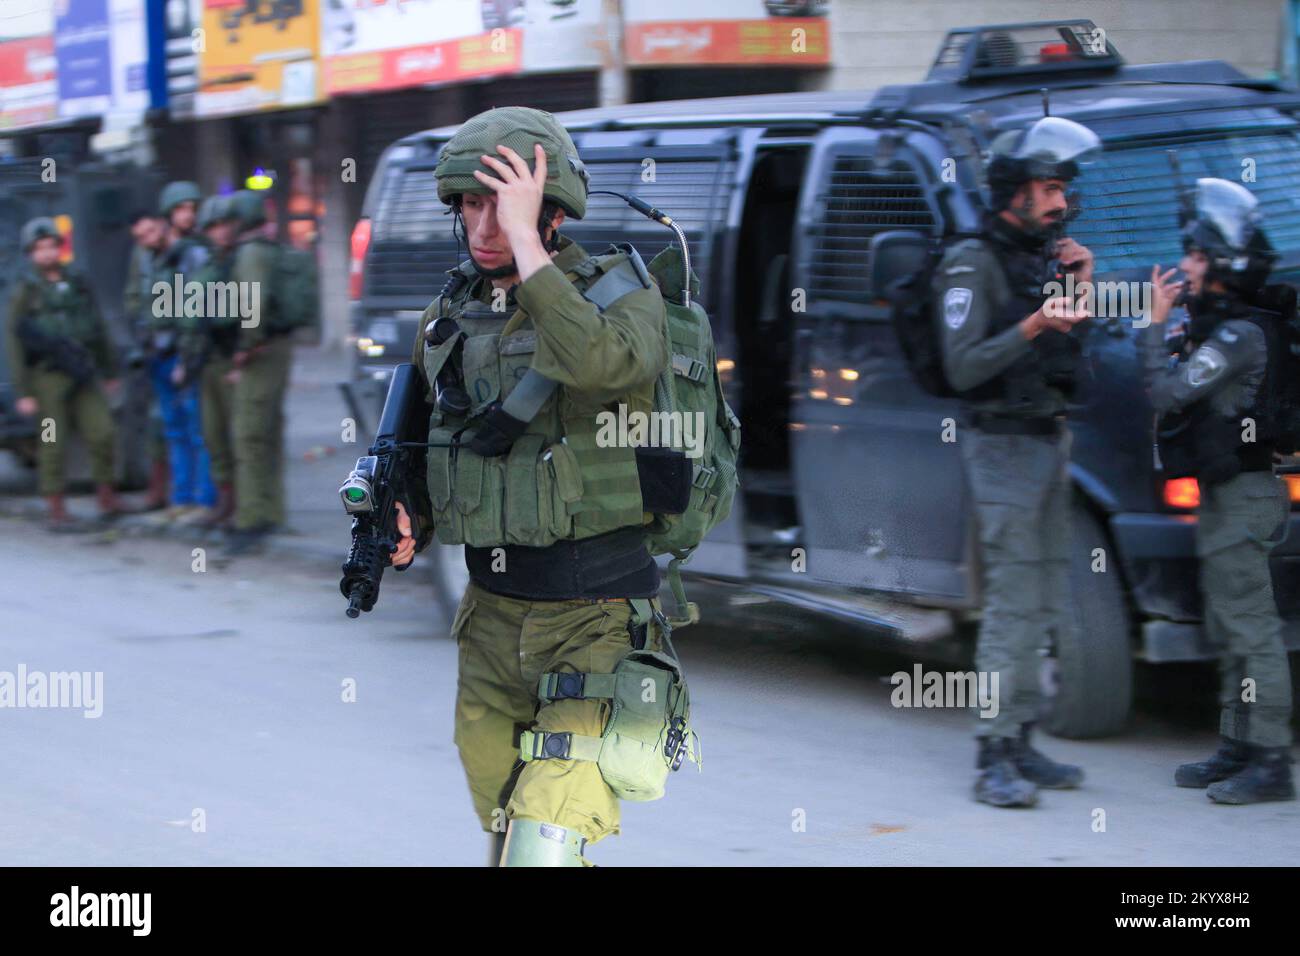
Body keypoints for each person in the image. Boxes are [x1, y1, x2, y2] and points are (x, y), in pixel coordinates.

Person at [391, 106, 678, 865]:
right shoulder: (448, 316)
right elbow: (435, 445)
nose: (486, 225)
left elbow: (603, 366)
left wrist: (527, 246)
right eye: (474, 205)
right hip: (489, 622)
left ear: (552, 213)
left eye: (508, 206)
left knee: (539, 854)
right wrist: (405, 511)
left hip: (596, 623)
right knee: (505, 840)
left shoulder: (621, 296)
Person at [934, 116, 1101, 807]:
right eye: (1050, 187)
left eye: (1063, 189)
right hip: (1000, 445)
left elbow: (1067, 356)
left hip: (1045, 439)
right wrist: (1033, 323)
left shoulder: (1041, 255)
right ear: (1015, 190)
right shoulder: (972, 261)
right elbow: (963, 365)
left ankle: (1024, 739)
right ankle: (993, 753)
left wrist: (1081, 286)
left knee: (1040, 598)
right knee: (1009, 602)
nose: (1060, 202)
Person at [1145, 178, 1294, 804]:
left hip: (1245, 493)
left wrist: (1153, 329)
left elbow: (1168, 393)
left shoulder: (1239, 337)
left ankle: (1271, 761)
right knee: (1231, 624)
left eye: (1199, 256)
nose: (1186, 266)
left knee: (1251, 627)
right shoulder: (1226, 326)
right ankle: (1237, 745)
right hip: (1229, 492)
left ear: (1225, 263)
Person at [6, 218, 124, 528]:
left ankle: (106, 494)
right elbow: (14, 342)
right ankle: (55, 504)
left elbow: (98, 327)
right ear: (31, 254)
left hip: (83, 371)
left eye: (51, 247)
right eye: (40, 249)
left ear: (60, 248)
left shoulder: (78, 282)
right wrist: (24, 391)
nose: (46, 254)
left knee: (103, 431)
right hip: (47, 378)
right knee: (51, 440)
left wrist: (109, 369)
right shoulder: (25, 292)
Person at [222, 189, 292, 556]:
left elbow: (253, 302)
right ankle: (272, 509)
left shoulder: (250, 253)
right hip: (277, 348)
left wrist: (245, 347)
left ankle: (250, 520)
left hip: (261, 352)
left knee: (248, 435)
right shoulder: (269, 249)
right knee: (269, 430)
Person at [150, 181, 216, 523]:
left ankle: (202, 501)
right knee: (174, 429)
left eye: (191, 208)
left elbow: (195, 311)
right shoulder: (165, 252)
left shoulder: (196, 252)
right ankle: (181, 498)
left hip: (186, 353)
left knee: (196, 429)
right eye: (180, 208)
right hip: (163, 351)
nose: (187, 215)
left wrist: (188, 359)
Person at [178, 195, 240, 529]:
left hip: (235, 361)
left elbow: (251, 315)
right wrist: (186, 359)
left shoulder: (242, 263)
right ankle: (224, 502)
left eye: (225, 225)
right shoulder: (207, 266)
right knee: (214, 435)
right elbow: (192, 317)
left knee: (240, 436)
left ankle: (245, 506)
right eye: (214, 226)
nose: (221, 232)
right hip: (208, 360)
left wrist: (242, 358)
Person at [124, 210, 170, 512]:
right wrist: (142, 324)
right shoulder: (142, 256)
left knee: (195, 426)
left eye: (150, 232)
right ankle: (160, 492)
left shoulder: (185, 251)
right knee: (159, 419)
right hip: (156, 347)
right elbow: (133, 296)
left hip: (185, 347)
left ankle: (199, 497)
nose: (145, 240)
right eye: (140, 237)